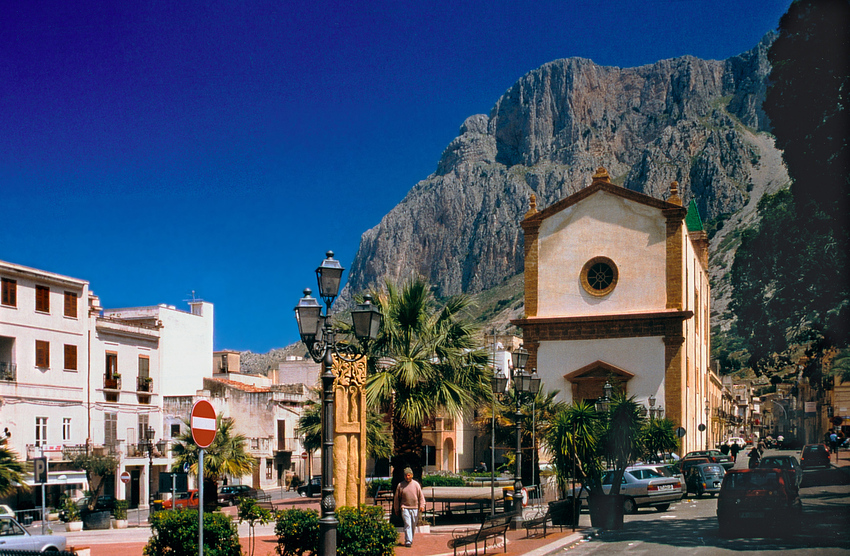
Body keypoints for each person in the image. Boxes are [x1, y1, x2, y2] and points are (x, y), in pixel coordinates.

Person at [393, 467, 425, 548]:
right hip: (404, 508)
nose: (407, 477)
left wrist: (421, 506)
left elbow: (421, 497)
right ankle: (408, 541)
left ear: (412, 475)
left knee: (413, 525)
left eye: (409, 475)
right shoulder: (400, 485)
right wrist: (396, 509)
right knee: (407, 524)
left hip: (414, 508)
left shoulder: (416, 484)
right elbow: (396, 499)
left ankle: (410, 539)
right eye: (406, 475)